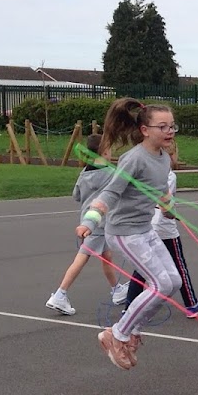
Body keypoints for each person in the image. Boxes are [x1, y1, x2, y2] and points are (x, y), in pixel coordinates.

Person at [78, 98, 181, 370]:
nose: (170, 131)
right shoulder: (133, 158)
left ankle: (132, 331)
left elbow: (162, 194)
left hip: (144, 229)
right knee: (160, 284)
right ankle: (117, 334)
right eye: (163, 126)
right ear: (145, 130)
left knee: (173, 282)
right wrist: (90, 220)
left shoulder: (163, 160)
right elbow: (110, 192)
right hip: (124, 232)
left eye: (172, 126)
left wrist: (169, 209)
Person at [121, 141, 198, 319]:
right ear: (171, 156)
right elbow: (164, 201)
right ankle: (191, 304)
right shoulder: (168, 175)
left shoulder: (151, 172)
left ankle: (129, 306)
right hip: (164, 227)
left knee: (143, 267)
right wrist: (172, 213)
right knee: (179, 266)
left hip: (149, 224)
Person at [46, 134, 128, 315]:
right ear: (104, 151)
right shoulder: (111, 173)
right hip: (97, 223)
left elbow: (76, 195)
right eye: (109, 150)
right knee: (82, 257)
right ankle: (60, 293)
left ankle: (116, 289)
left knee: (106, 256)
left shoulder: (85, 173)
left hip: (90, 220)